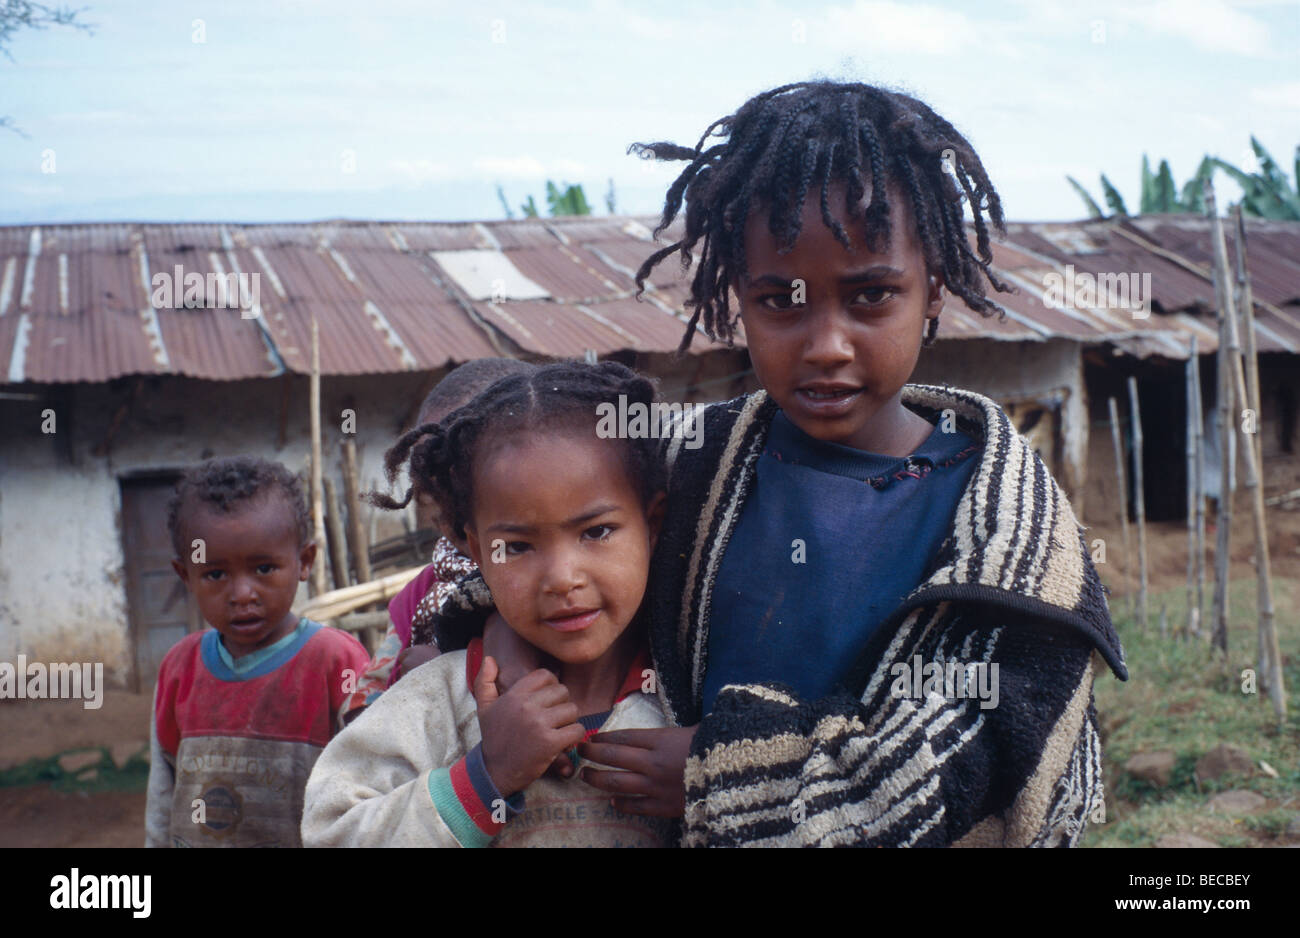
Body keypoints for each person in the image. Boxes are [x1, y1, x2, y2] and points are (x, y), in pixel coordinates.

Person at [494, 81, 1128, 846]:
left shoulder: (1011, 531)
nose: (826, 343)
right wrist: (489, 632)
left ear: (934, 289)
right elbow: (537, 535)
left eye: (871, 297)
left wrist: (717, 777)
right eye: (782, 304)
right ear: (738, 300)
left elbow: (995, 757)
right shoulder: (694, 467)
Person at [301, 361, 675, 847]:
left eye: (596, 531)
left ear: (653, 525)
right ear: (477, 553)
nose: (562, 579)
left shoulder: (688, 697)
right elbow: (332, 831)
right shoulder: (443, 699)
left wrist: (710, 778)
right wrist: (486, 777)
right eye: (517, 546)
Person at [145, 456, 370, 847]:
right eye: (215, 574)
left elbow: (371, 782)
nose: (242, 594)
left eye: (264, 569)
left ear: (304, 562)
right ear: (186, 576)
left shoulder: (336, 662)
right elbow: (163, 789)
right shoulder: (179, 668)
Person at [337, 357, 537, 727]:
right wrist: (415, 687)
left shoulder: (562, 580)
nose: (448, 494)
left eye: (464, 465)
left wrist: (452, 679)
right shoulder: (422, 595)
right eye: (432, 471)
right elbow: (360, 713)